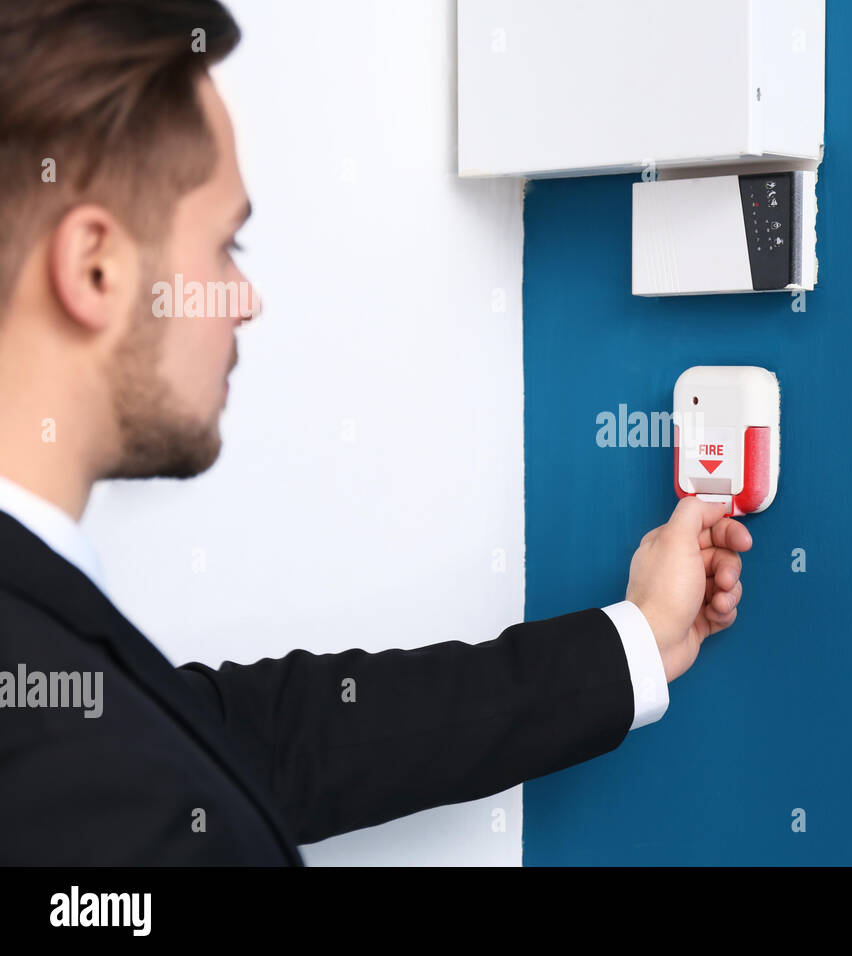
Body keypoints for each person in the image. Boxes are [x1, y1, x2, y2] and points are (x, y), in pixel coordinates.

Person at [0, 0, 750, 864]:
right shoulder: (68, 773)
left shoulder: (60, 691)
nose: (244, 299)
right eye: (224, 247)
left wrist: (638, 637)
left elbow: (259, 740)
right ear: (95, 267)